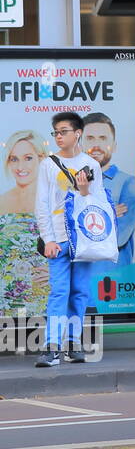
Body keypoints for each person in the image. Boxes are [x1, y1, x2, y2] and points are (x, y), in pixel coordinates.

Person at [34, 112, 108, 368]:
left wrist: (85, 190)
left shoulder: (91, 164)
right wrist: (48, 239)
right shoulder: (48, 164)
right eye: (55, 131)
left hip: (83, 240)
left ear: (77, 133)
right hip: (58, 238)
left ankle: (74, 344)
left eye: (63, 131)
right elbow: (42, 204)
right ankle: (52, 347)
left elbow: (97, 207)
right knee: (59, 292)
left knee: (79, 293)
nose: (58, 136)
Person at [83, 112, 135, 276]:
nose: (96, 144)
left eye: (103, 138)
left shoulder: (128, 183)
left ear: (114, 145)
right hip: (77, 284)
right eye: (90, 138)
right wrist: (108, 213)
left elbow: (118, 238)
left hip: (112, 283)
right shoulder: (71, 182)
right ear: (79, 143)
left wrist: (79, 221)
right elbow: (61, 231)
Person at [0, 130, 50, 314]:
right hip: (4, 300)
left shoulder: (55, 200)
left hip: (44, 297)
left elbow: (75, 244)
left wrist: (58, 271)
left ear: (41, 159)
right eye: (14, 159)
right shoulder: (1, 202)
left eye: (28, 158)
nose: (20, 166)